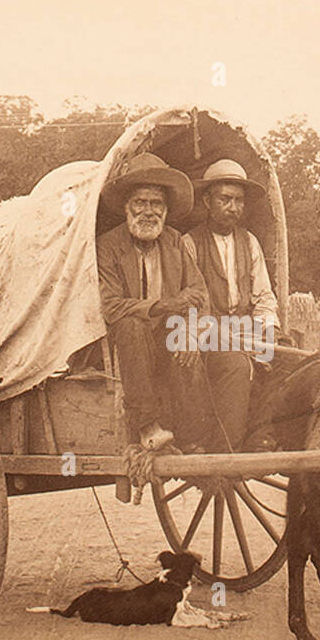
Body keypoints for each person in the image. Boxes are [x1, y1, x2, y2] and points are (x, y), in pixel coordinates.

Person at [96, 153, 209, 450]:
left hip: (166, 335)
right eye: (140, 203)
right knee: (131, 324)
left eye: (156, 204)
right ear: (126, 207)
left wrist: (189, 332)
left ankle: (191, 439)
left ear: (166, 209)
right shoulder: (108, 246)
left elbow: (199, 295)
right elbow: (112, 306)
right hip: (127, 346)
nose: (148, 212)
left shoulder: (174, 241)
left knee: (184, 340)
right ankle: (147, 426)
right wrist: (165, 306)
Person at [182, 159, 283, 451]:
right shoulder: (190, 243)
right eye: (224, 199)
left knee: (285, 357)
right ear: (207, 201)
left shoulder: (249, 242)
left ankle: (263, 432)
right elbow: (190, 302)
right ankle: (226, 449)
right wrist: (225, 336)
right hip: (204, 334)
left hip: (245, 329)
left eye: (238, 200)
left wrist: (267, 330)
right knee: (236, 366)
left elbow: (264, 295)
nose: (233, 207)